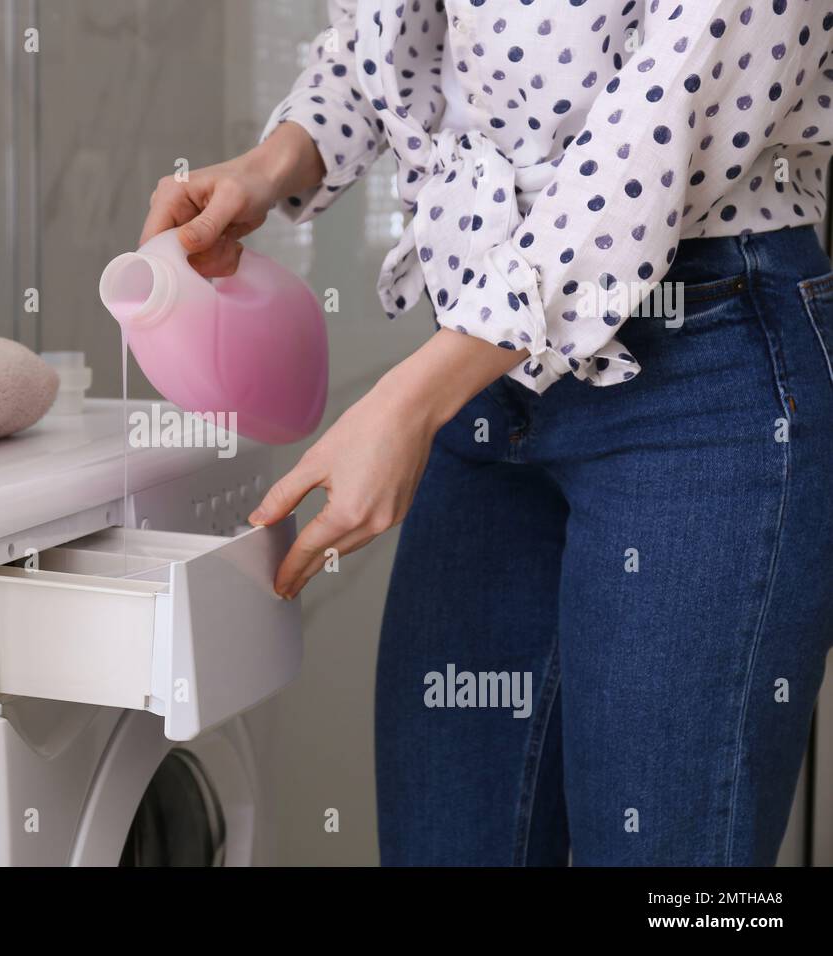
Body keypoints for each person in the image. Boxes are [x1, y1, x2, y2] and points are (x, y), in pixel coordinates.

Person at [138, 1, 833, 865]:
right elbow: (383, 39)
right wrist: (271, 162)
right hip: (484, 376)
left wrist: (411, 401)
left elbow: (655, 140)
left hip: (701, 363)